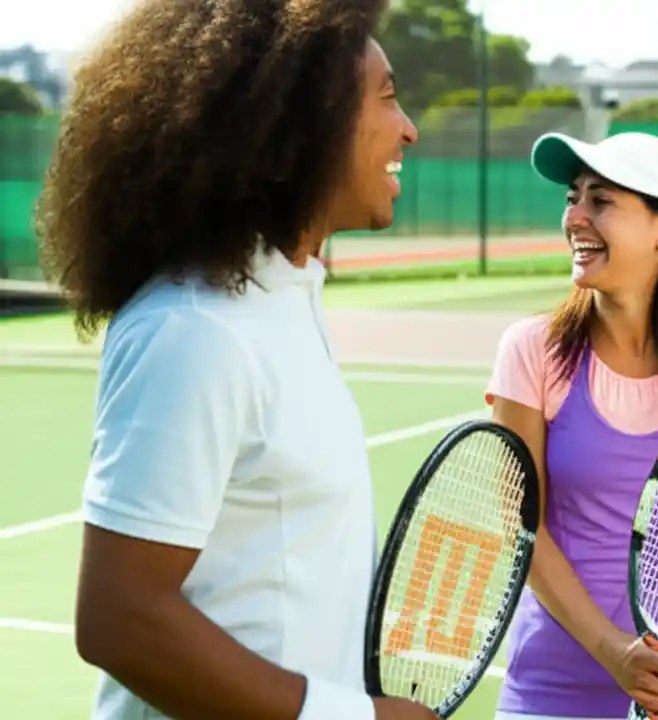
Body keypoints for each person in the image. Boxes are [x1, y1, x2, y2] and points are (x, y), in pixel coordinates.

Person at [36, 1, 428, 718]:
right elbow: (120, 621)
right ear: (301, 123)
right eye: (387, 97)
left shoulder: (282, 299)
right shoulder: (197, 330)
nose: (409, 128)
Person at [486, 131, 658, 720]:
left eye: (601, 201)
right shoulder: (529, 348)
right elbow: (521, 527)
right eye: (573, 197)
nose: (576, 218)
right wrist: (615, 653)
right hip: (552, 687)